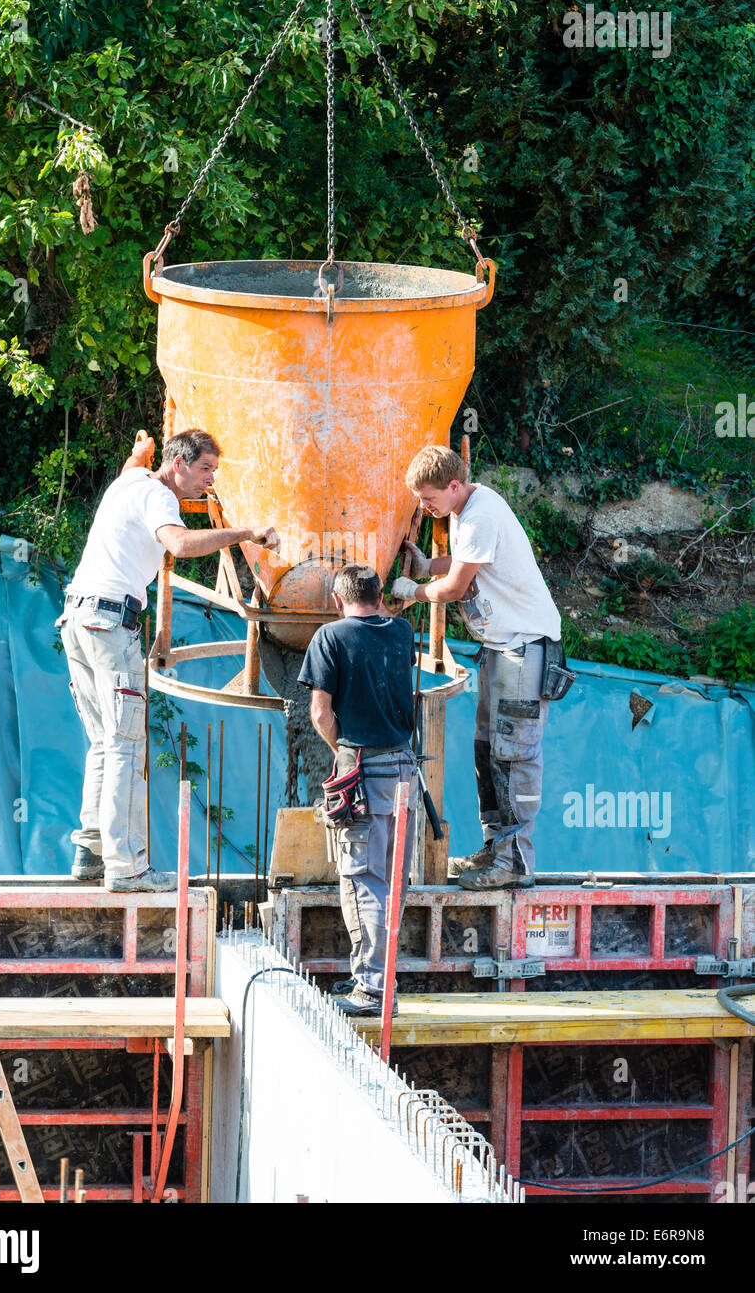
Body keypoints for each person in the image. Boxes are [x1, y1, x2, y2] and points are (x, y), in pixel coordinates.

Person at [57, 428, 278, 892]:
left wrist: (140, 451)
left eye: (213, 471)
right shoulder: (161, 500)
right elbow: (178, 545)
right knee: (125, 745)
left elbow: (131, 465)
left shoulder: (130, 481)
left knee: (103, 742)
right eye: (204, 469)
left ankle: (91, 852)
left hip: (79, 620)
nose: (209, 480)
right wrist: (246, 533)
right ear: (178, 465)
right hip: (109, 623)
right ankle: (128, 868)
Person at [390, 444, 562, 890]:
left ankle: (516, 862)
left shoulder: (481, 512)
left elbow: (453, 587)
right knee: (487, 750)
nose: (425, 507)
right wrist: (431, 565)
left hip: (523, 648)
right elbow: (467, 560)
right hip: (503, 647)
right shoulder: (466, 511)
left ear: (453, 485)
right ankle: (496, 848)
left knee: (514, 754)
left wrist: (415, 587)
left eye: (428, 498)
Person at [297, 564, 418, 1017]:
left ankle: (370, 990)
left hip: (363, 772)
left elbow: (320, 713)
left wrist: (341, 751)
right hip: (404, 770)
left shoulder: (330, 637)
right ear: (380, 594)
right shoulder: (403, 632)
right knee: (392, 882)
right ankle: (379, 977)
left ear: (336, 599)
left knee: (362, 880)